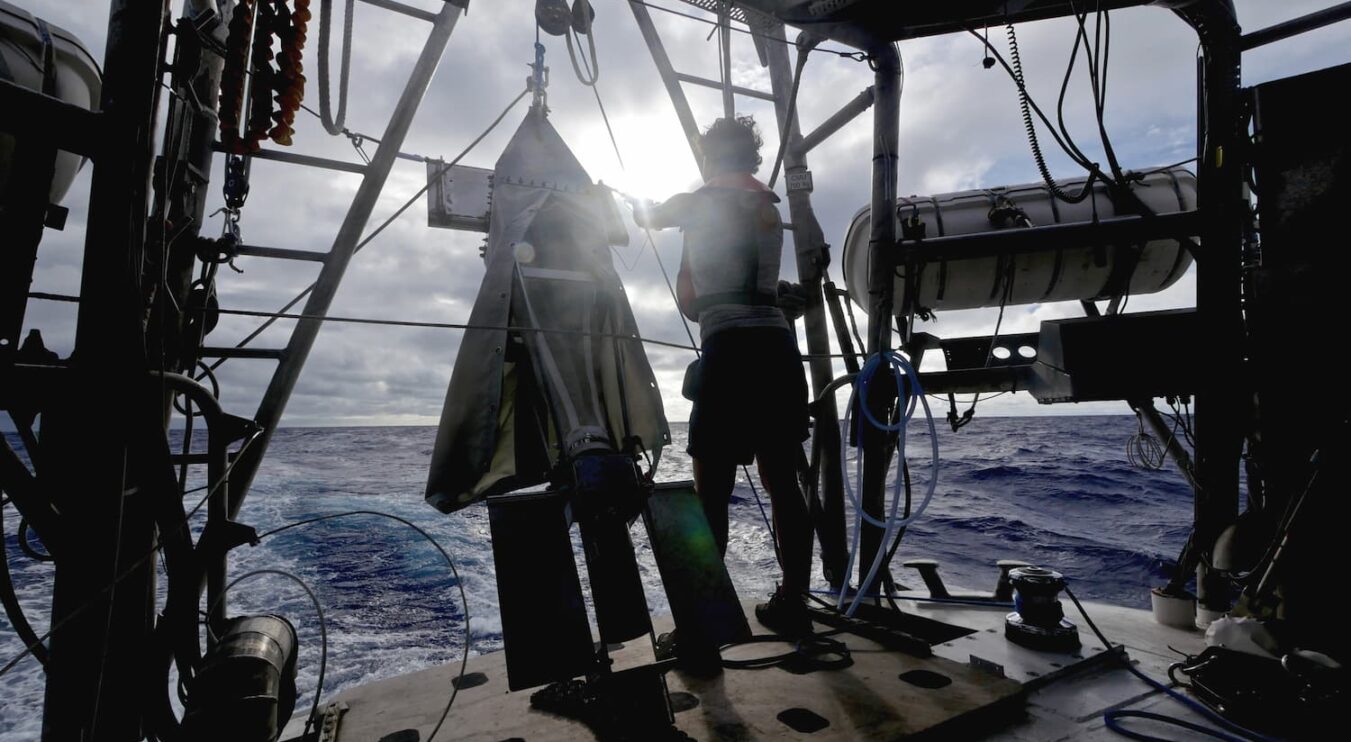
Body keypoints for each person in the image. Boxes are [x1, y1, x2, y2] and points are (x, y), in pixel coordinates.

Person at [633, 116, 814, 639]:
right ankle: (794, 603)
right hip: (778, 352)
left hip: (729, 353)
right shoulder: (768, 206)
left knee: (709, 494)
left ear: (711, 157)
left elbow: (648, 215)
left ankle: (702, 625)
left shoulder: (698, 201)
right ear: (750, 159)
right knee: (784, 486)